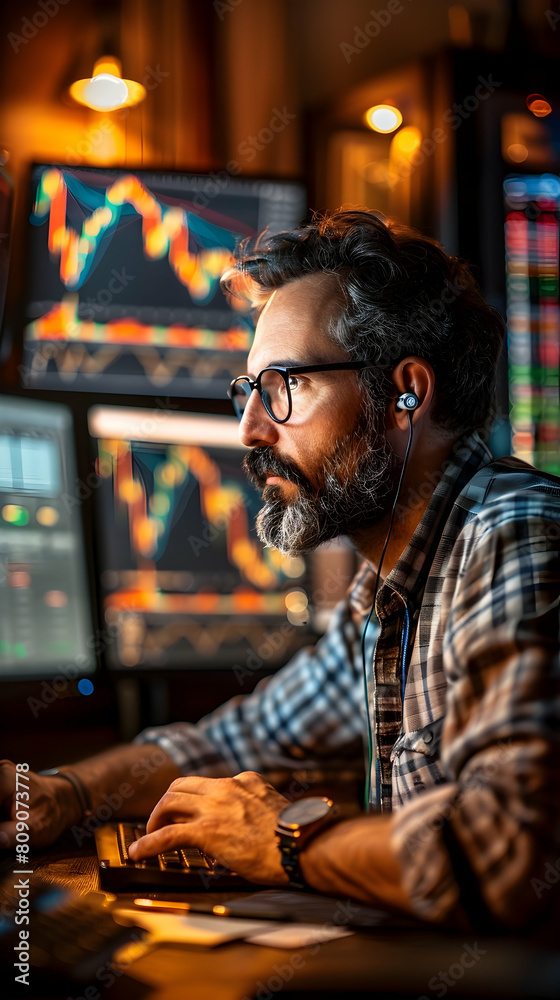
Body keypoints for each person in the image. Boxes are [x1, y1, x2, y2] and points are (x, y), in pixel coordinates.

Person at [2, 211, 559, 931]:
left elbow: (505, 854)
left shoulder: (512, 541)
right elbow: (231, 741)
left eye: (283, 386)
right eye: (250, 392)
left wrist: (282, 842)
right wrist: (61, 795)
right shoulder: (390, 598)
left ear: (406, 394)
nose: (250, 429)